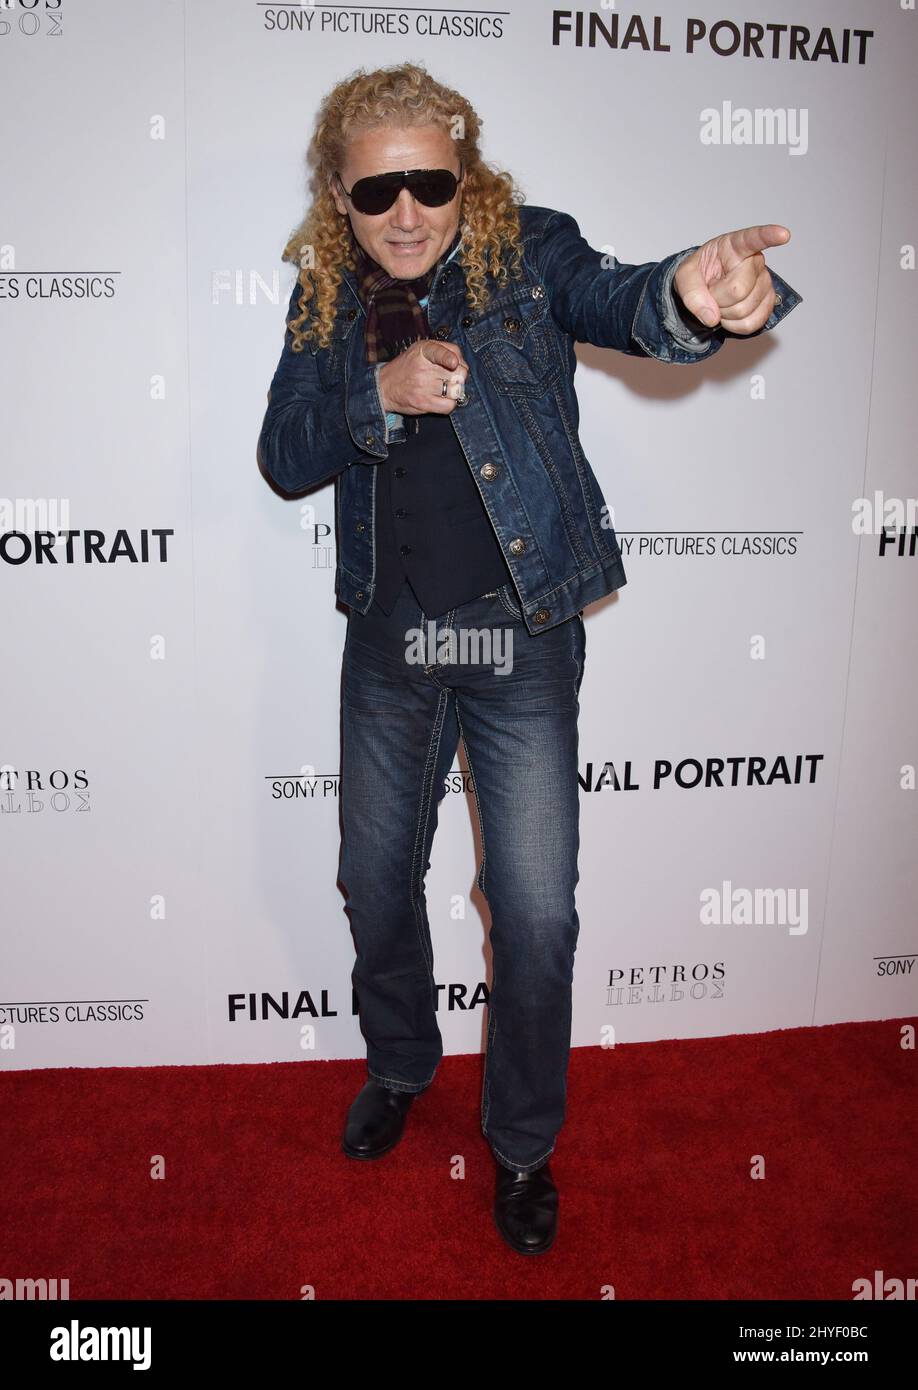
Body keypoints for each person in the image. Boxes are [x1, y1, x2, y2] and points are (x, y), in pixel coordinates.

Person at [257, 62, 802, 1256]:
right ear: (338, 198)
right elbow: (285, 450)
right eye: (376, 190)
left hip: (521, 641)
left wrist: (688, 299)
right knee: (374, 877)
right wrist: (375, 394)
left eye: (430, 181)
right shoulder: (322, 292)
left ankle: (520, 1148)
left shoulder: (528, 252)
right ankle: (402, 1064)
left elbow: (617, 301)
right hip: (390, 644)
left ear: (469, 172)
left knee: (538, 914)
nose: (405, 211)